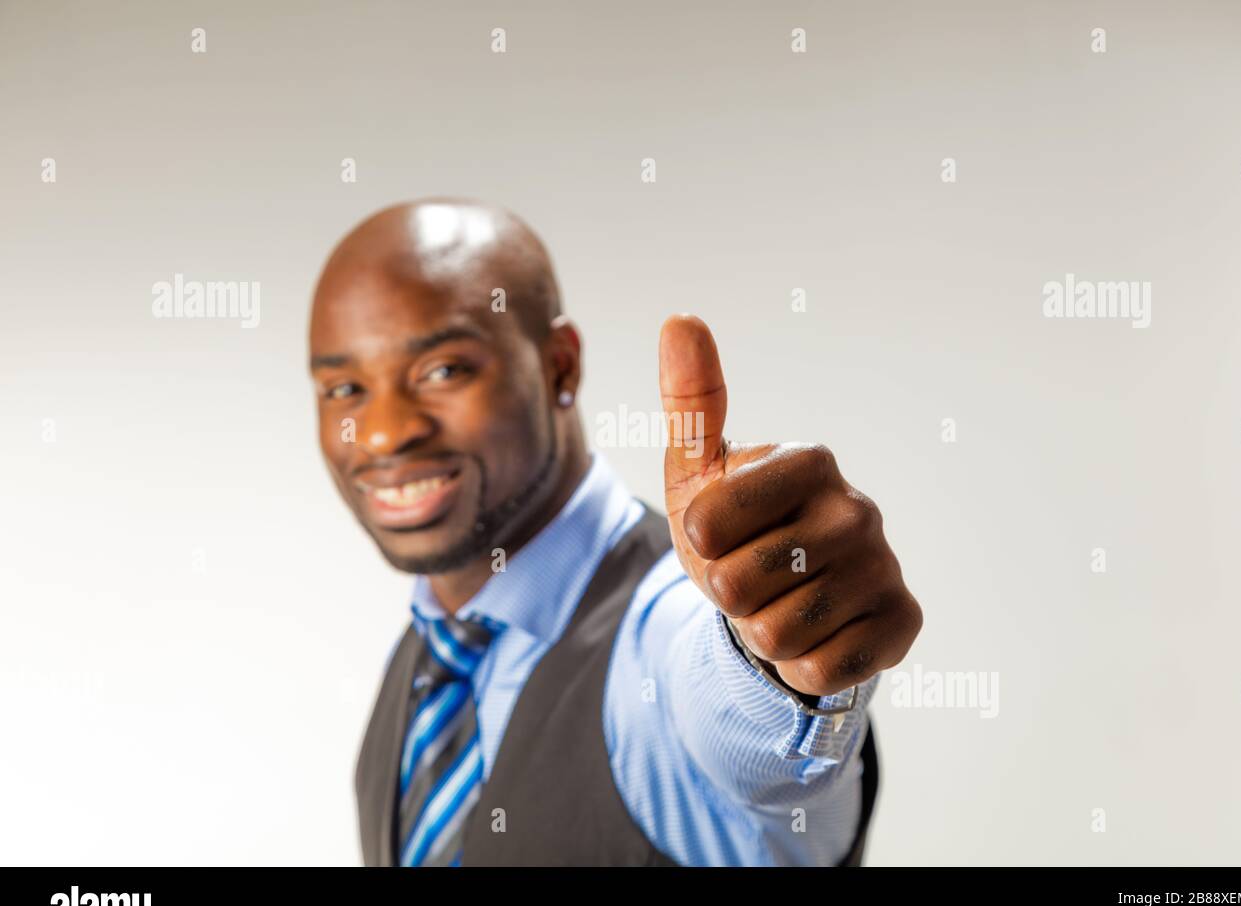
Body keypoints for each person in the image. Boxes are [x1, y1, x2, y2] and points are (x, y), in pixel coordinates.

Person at [308, 198, 923, 866]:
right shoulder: (427, 656)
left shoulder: (666, 630)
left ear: (560, 368)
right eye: (344, 389)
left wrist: (779, 662)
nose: (383, 432)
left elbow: (731, 715)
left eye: (444, 371)